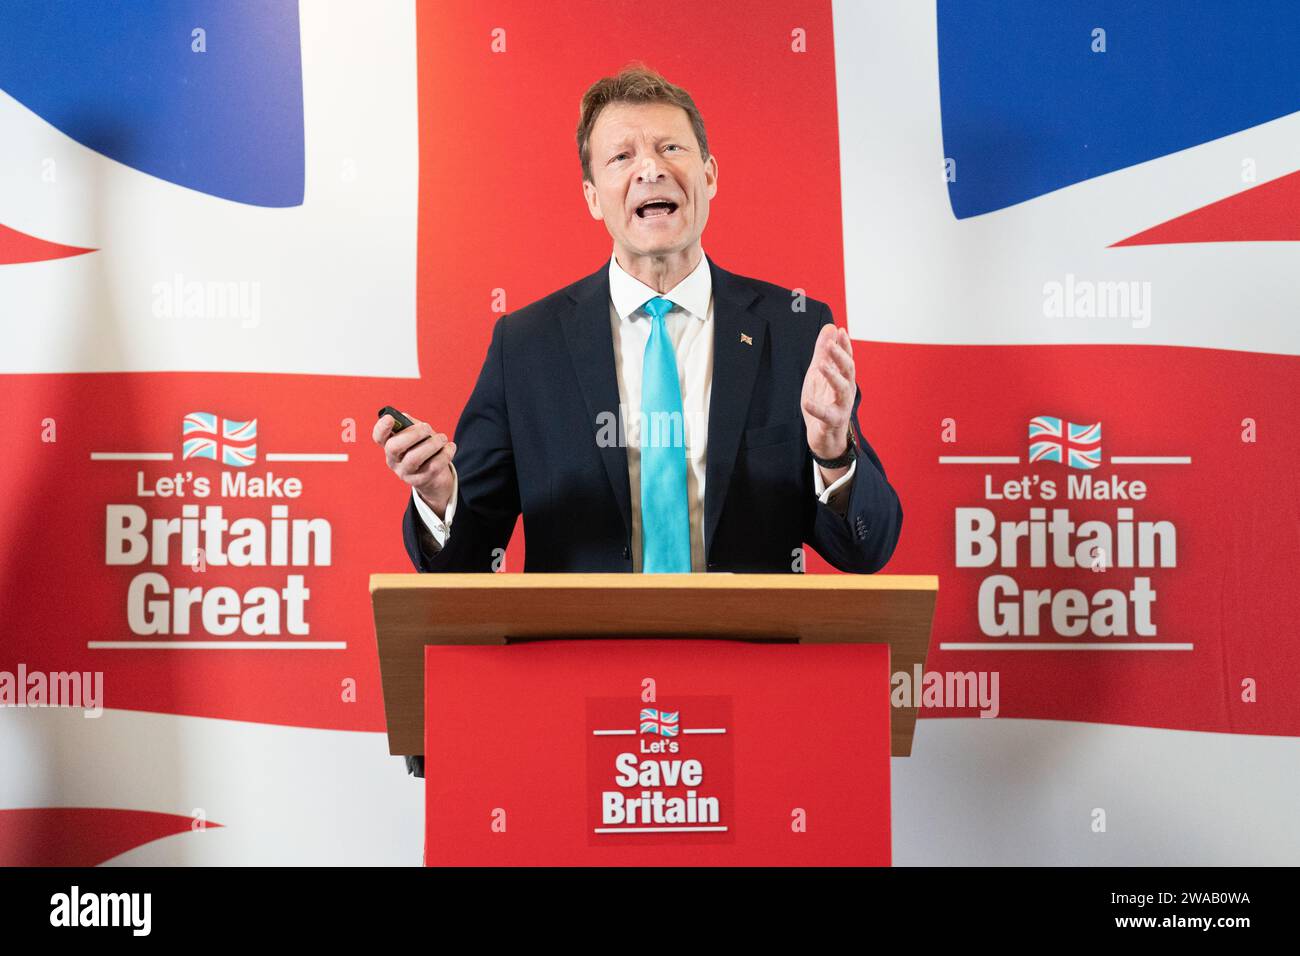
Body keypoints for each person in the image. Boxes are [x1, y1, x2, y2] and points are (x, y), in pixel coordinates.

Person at [374, 64, 902, 578]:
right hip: (585, 657)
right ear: (592, 197)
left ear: (710, 175)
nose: (650, 168)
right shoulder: (526, 347)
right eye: (622, 156)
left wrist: (832, 452)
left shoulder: (794, 331)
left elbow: (866, 549)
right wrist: (440, 495)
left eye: (671, 148)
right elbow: (466, 559)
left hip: (745, 659)